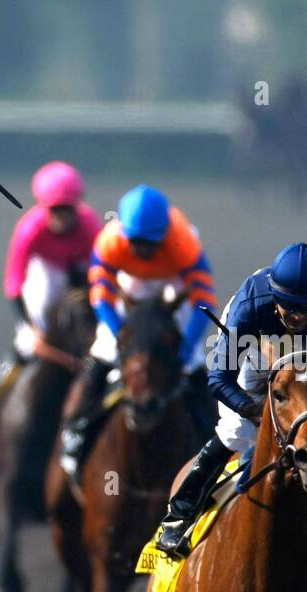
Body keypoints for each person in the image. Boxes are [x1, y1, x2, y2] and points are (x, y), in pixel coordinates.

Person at [154, 242, 307, 556]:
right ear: (275, 296)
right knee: (237, 432)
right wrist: (254, 410)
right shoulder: (251, 306)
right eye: (289, 306)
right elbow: (219, 379)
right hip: (257, 348)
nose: (297, 315)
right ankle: (179, 516)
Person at [59, 184, 216, 479]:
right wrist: (120, 334)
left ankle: (211, 439)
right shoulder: (109, 242)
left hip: (173, 285)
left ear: (165, 234)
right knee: (102, 354)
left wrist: (186, 347)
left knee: (195, 364)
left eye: (150, 243)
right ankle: (76, 435)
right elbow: (100, 295)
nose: (143, 250)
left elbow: (204, 301)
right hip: (130, 284)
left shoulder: (183, 241)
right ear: (124, 234)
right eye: (137, 242)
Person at [0, 160, 102, 480]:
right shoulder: (30, 228)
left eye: (68, 208)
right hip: (42, 284)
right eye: (56, 209)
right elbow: (14, 282)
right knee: (24, 349)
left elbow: (100, 274)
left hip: (80, 284)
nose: (63, 216)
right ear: (44, 206)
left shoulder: (91, 224)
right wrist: (29, 329)